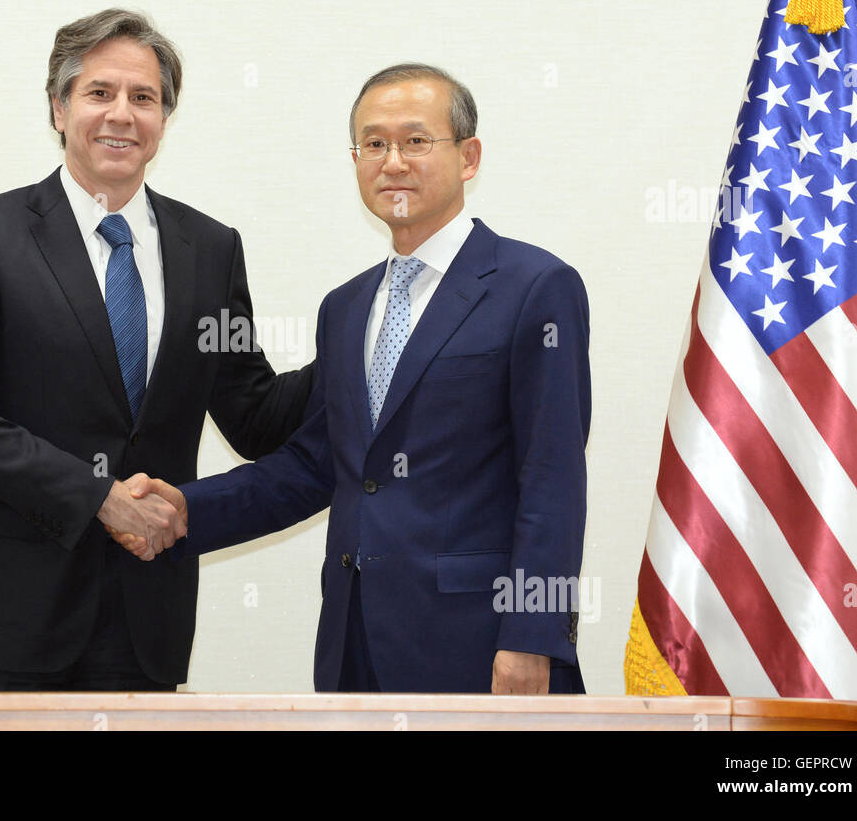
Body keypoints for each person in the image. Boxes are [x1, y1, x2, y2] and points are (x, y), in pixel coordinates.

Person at [117, 64, 591, 694]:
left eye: (416, 141)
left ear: (468, 156)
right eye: (374, 144)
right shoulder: (345, 309)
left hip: (481, 645)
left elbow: (553, 476)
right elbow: (317, 467)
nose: (392, 161)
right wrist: (185, 511)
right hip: (353, 641)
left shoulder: (535, 287)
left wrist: (533, 637)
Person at [0, 9, 315, 692]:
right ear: (59, 108)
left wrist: (370, 336)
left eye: (143, 97)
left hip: (142, 620)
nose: (121, 114)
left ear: (164, 120)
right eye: (99, 93)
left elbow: (256, 417)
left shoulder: (210, 249)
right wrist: (99, 497)